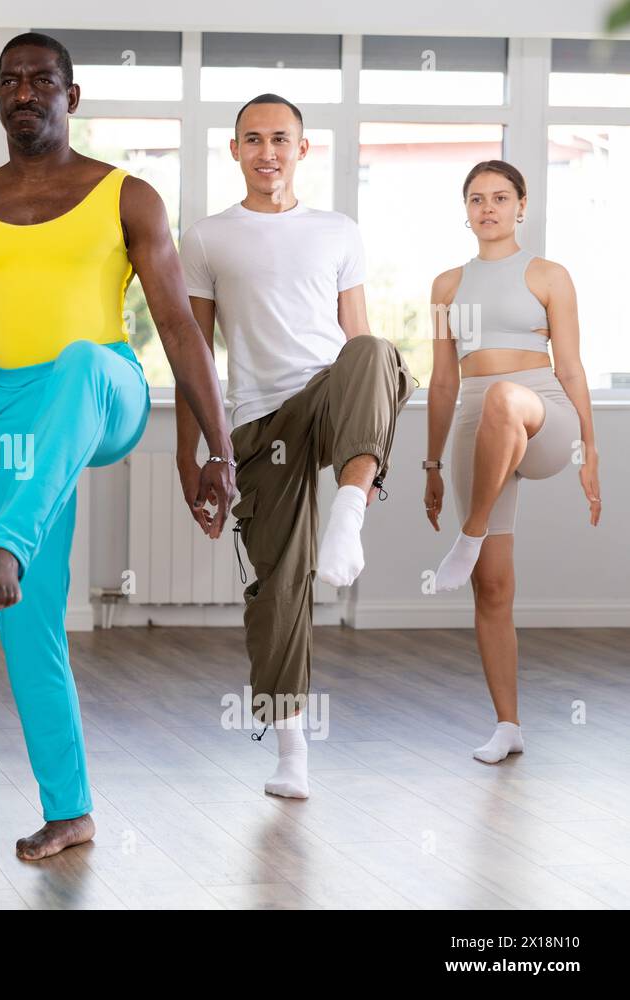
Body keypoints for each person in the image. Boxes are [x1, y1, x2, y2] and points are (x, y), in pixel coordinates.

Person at [0, 33, 235, 861]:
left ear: (71, 97)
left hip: (106, 388)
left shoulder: (127, 196)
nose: (24, 91)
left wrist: (217, 453)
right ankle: (70, 809)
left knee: (84, 360)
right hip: (14, 413)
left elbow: (182, 330)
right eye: (8, 80)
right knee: (28, 625)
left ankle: (5, 543)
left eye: (41, 80)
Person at [176, 94, 414, 799]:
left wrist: (357, 452)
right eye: (253, 139)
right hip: (257, 423)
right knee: (280, 586)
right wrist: (197, 461)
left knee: (376, 350)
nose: (267, 151)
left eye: (281, 138)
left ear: (303, 149)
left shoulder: (339, 231)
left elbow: (358, 341)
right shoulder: (207, 238)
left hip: (327, 398)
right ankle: (291, 752)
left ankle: (349, 511)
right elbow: (193, 356)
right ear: (235, 150)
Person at [425, 159, 601, 763]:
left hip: (543, 413)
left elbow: (572, 366)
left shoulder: (548, 275)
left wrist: (590, 450)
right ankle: (508, 726)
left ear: (522, 205)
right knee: (492, 587)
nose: (489, 208)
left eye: (501, 197)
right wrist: (430, 465)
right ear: (466, 210)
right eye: (477, 199)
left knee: (505, 397)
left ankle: (469, 534)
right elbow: (443, 381)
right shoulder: (448, 285)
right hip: (478, 420)